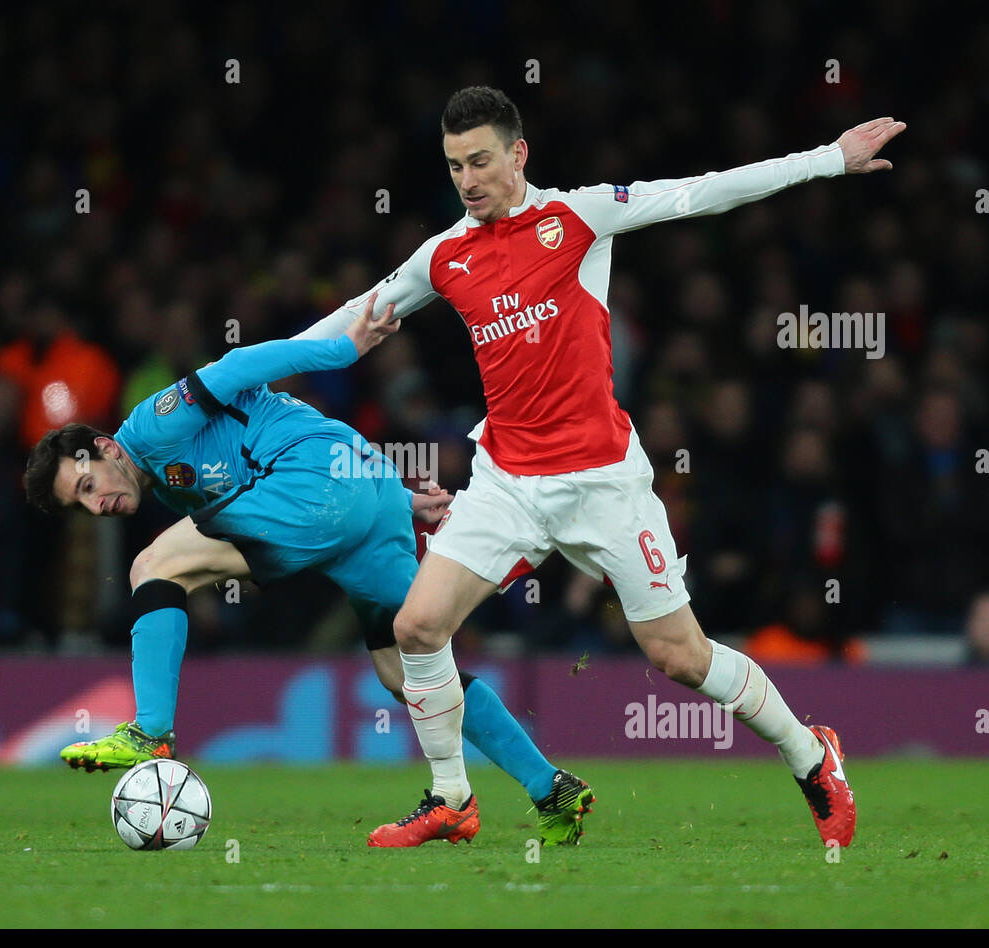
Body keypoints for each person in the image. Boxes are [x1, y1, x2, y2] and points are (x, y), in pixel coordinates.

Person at [289, 87, 906, 849]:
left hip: (602, 481)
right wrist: (243, 374)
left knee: (679, 658)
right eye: (454, 166)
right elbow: (360, 311)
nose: (469, 179)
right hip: (508, 481)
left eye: (481, 160)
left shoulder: (581, 216)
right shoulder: (444, 255)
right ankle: (452, 797)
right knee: (417, 626)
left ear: (518, 154)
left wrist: (826, 161)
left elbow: (700, 194)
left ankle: (811, 754)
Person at [23, 295, 595, 846]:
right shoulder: (165, 482)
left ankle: (150, 731)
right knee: (407, 670)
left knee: (153, 565)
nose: (97, 504)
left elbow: (241, 364)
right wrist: (397, 497)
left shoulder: (149, 426)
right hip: (366, 494)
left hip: (314, 485)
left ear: (103, 447)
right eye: (82, 503)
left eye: (88, 484)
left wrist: (342, 351)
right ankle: (549, 788)